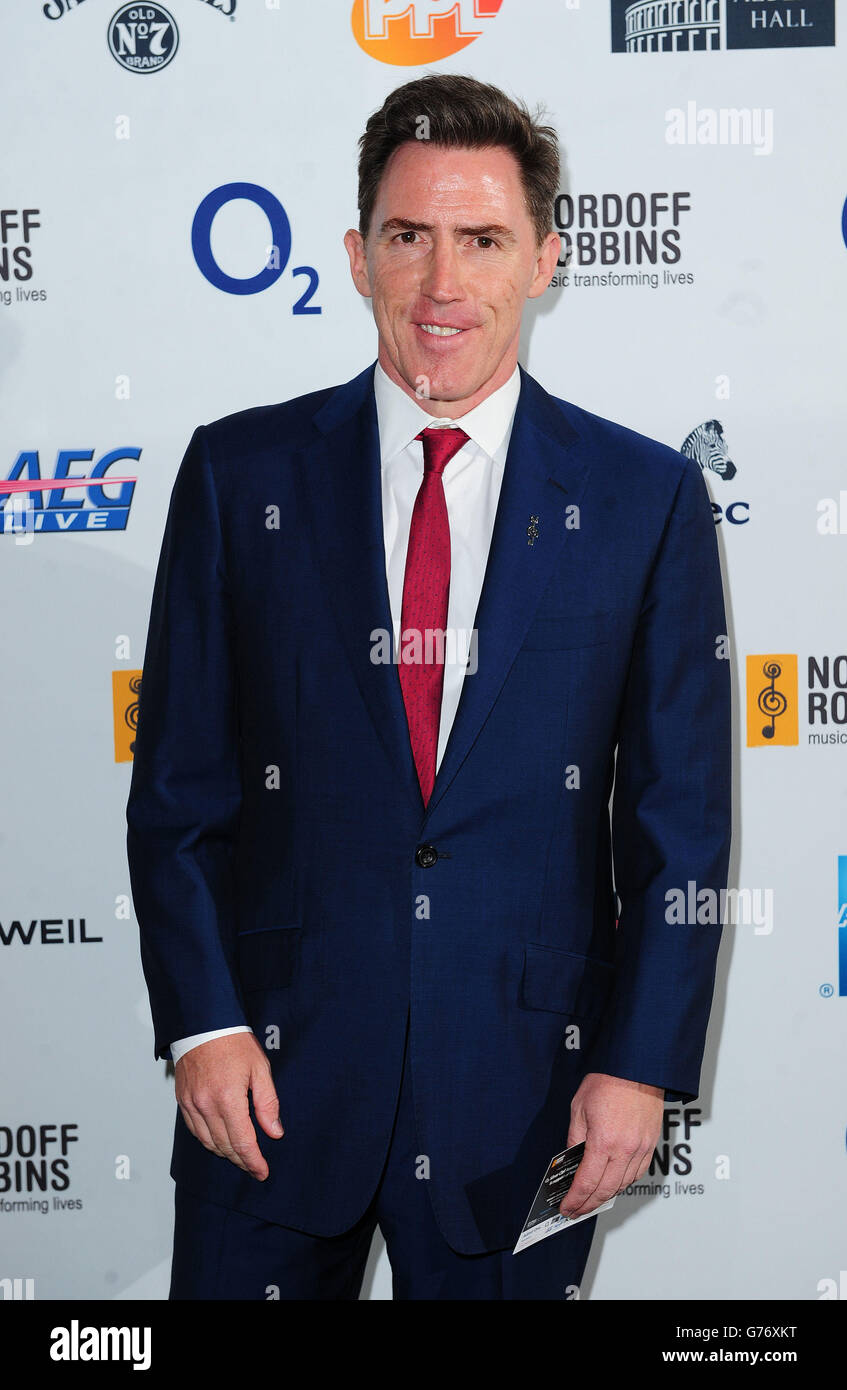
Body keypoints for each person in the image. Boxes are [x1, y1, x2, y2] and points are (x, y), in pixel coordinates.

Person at [126, 73, 731, 1301]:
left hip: (527, 1097)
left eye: (482, 240)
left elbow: (676, 826)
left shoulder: (640, 500)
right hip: (269, 1087)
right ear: (356, 256)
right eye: (408, 237)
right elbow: (180, 791)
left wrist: (638, 1064)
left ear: (544, 260)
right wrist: (202, 1022)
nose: (441, 284)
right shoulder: (241, 477)